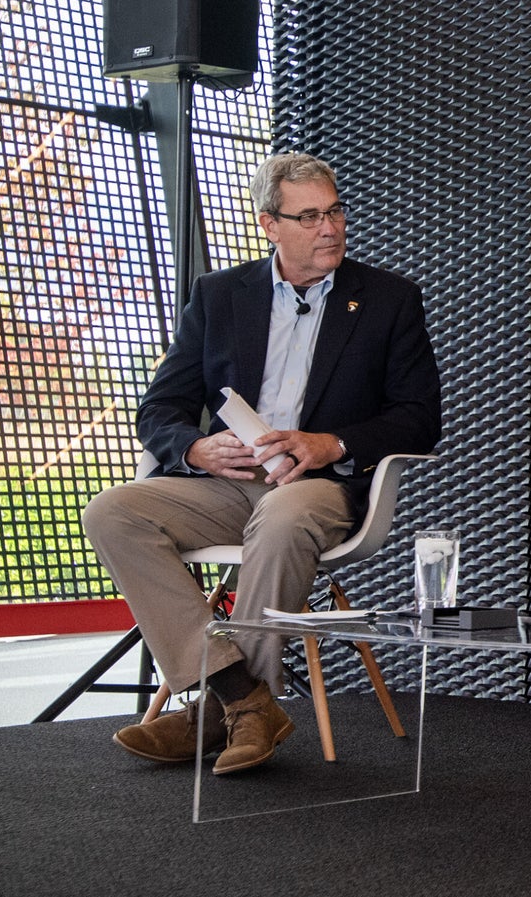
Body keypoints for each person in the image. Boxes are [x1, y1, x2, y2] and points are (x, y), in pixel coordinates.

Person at [84, 152, 441, 775]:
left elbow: (419, 416)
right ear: (269, 224)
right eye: (308, 217)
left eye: (334, 211)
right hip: (231, 484)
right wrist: (193, 449)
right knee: (114, 512)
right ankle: (240, 698)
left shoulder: (388, 300)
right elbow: (161, 407)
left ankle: (219, 715)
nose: (329, 228)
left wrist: (328, 443)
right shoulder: (220, 296)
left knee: (282, 518)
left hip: (320, 487)